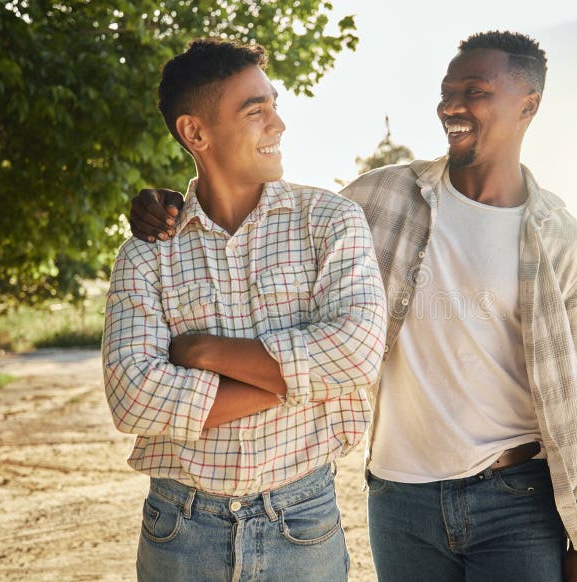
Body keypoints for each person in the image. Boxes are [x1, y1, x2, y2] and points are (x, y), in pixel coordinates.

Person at [130, 30, 577, 582]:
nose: (451, 106)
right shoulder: (379, 199)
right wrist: (167, 203)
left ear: (528, 105)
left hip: (515, 497)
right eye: (446, 91)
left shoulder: (564, 245)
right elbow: (258, 203)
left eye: (474, 91)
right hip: (399, 499)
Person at [103, 38, 387, 582]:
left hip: (302, 522)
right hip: (179, 529)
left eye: (274, 105)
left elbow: (356, 353)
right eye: (255, 110)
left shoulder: (329, 221)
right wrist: (296, 383)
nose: (277, 124)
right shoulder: (148, 250)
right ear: (195, 132)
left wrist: (201, 351)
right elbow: (132, 398)